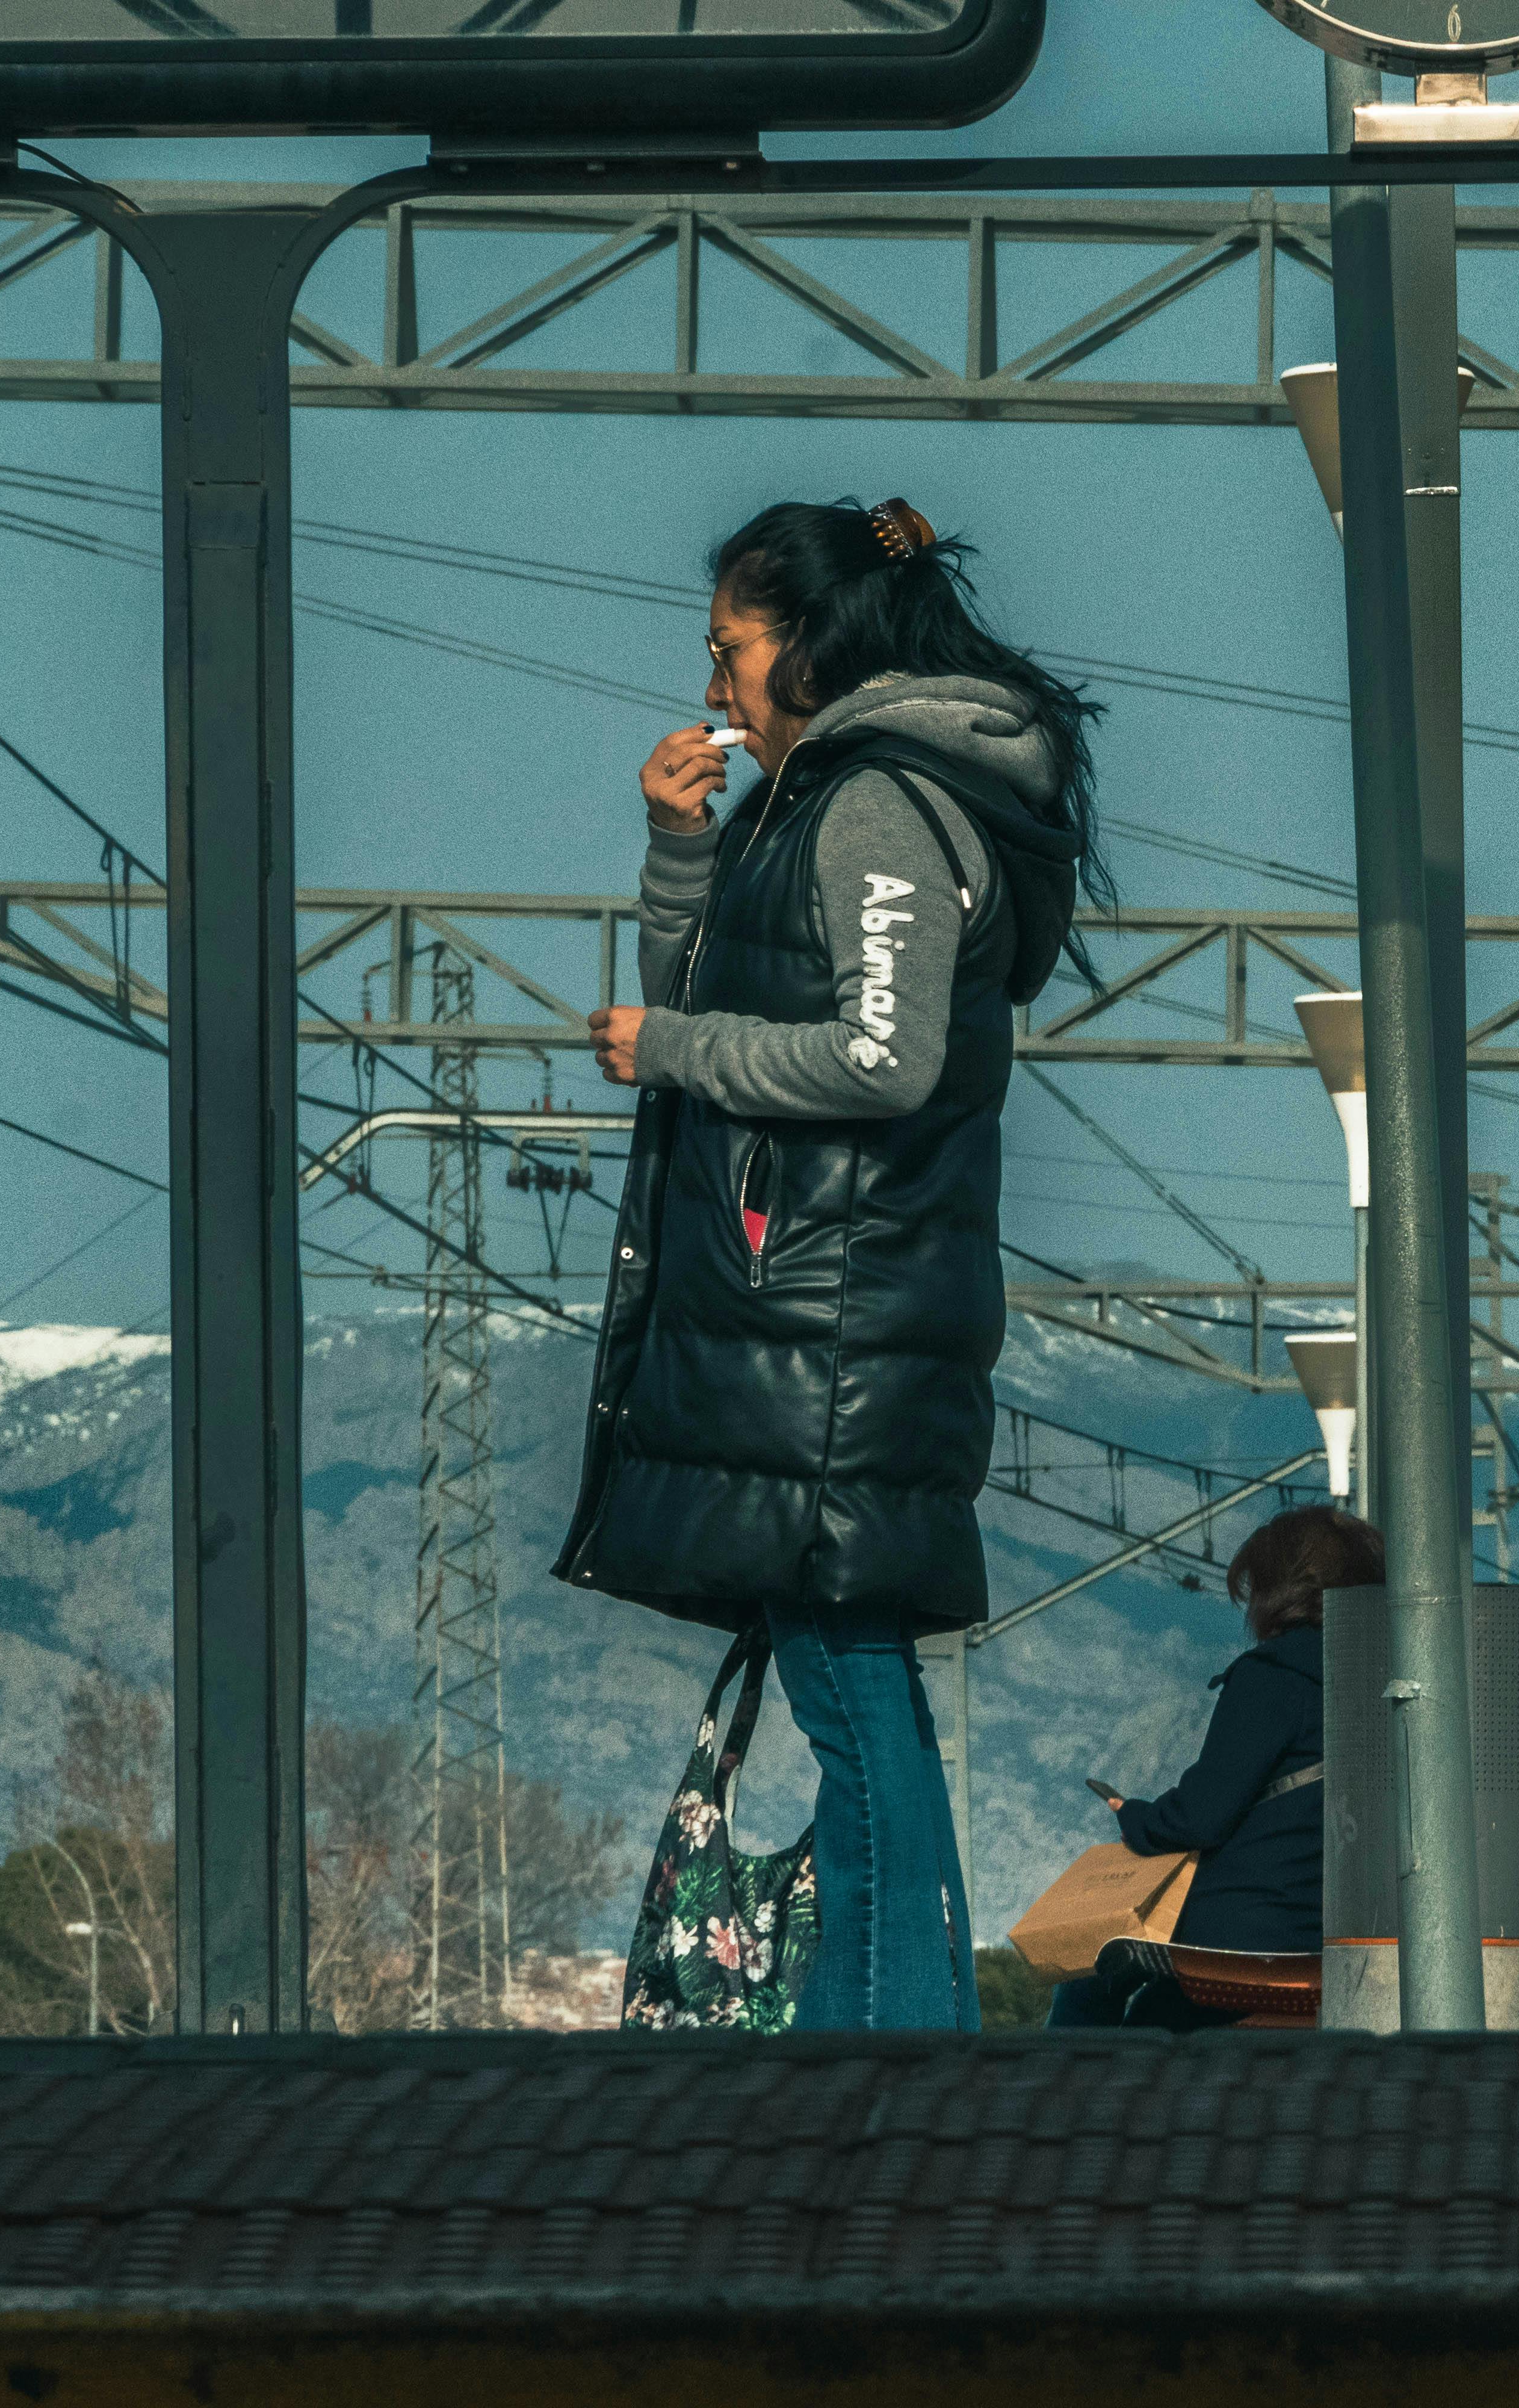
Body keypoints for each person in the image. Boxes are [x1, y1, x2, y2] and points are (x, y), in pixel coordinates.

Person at [557, 494, 1106, 2033]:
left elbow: (881, 1054)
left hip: (840, 1315)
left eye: (730, 648)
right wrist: (681, 847)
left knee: (853, 1689)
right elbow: (720, 994)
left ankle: (891, 2031)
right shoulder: (818, 803)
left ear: (811, 641)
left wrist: (670, 1047)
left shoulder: (880, 806)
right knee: (856, 1679)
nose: (713, 685)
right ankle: (894, 2013)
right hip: (821, 1307)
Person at [1048, 1504, 1374, 2031]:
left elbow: (1201, 1816)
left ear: (1279, 1591)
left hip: (1253, 1934)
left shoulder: (1274, 1677)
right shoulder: (1382, 1678)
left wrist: (1134, 1816)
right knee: (1157, 2010)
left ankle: (1071, 2080)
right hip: (1346, 1934)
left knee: (1093, 1966)